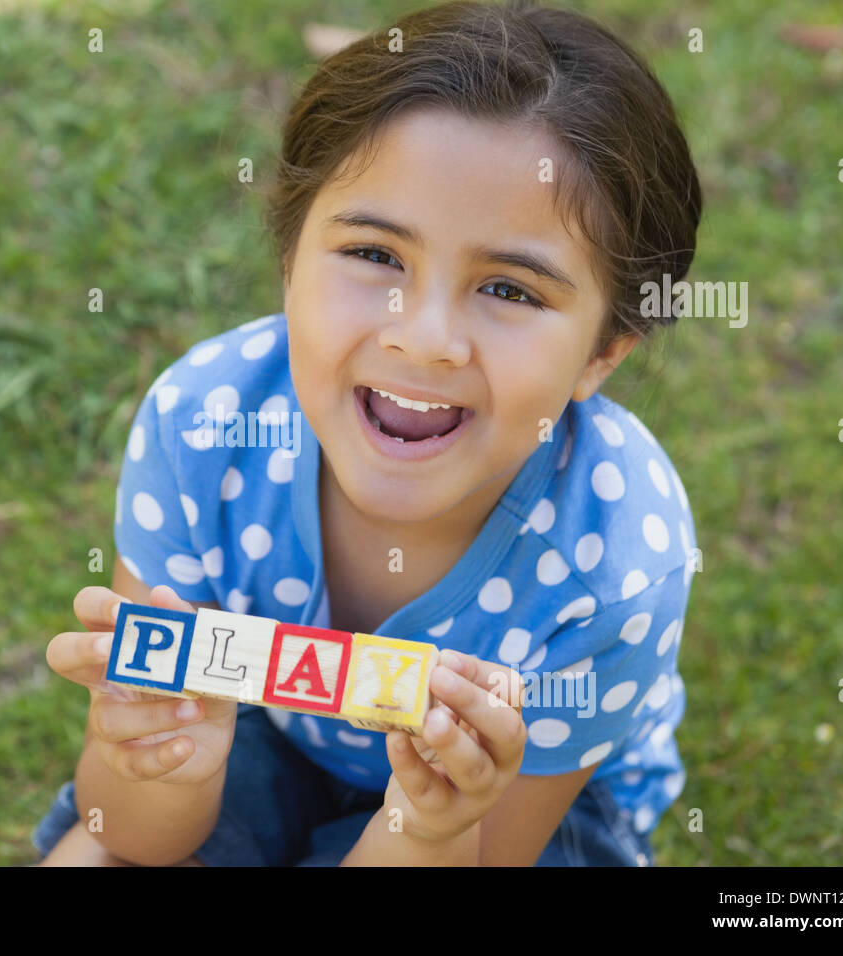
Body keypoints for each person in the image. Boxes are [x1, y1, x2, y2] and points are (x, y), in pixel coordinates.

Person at [35, 0, 701, 865]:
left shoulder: (613, 560)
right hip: (272, 737)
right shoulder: (205, 425)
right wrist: (163, 764)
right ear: (289, 258)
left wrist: (427, 827)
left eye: (510, 290)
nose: (422, 337)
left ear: (601, 355)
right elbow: (122, 833)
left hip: (502, 814)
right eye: (377, 256)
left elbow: (485, 851)